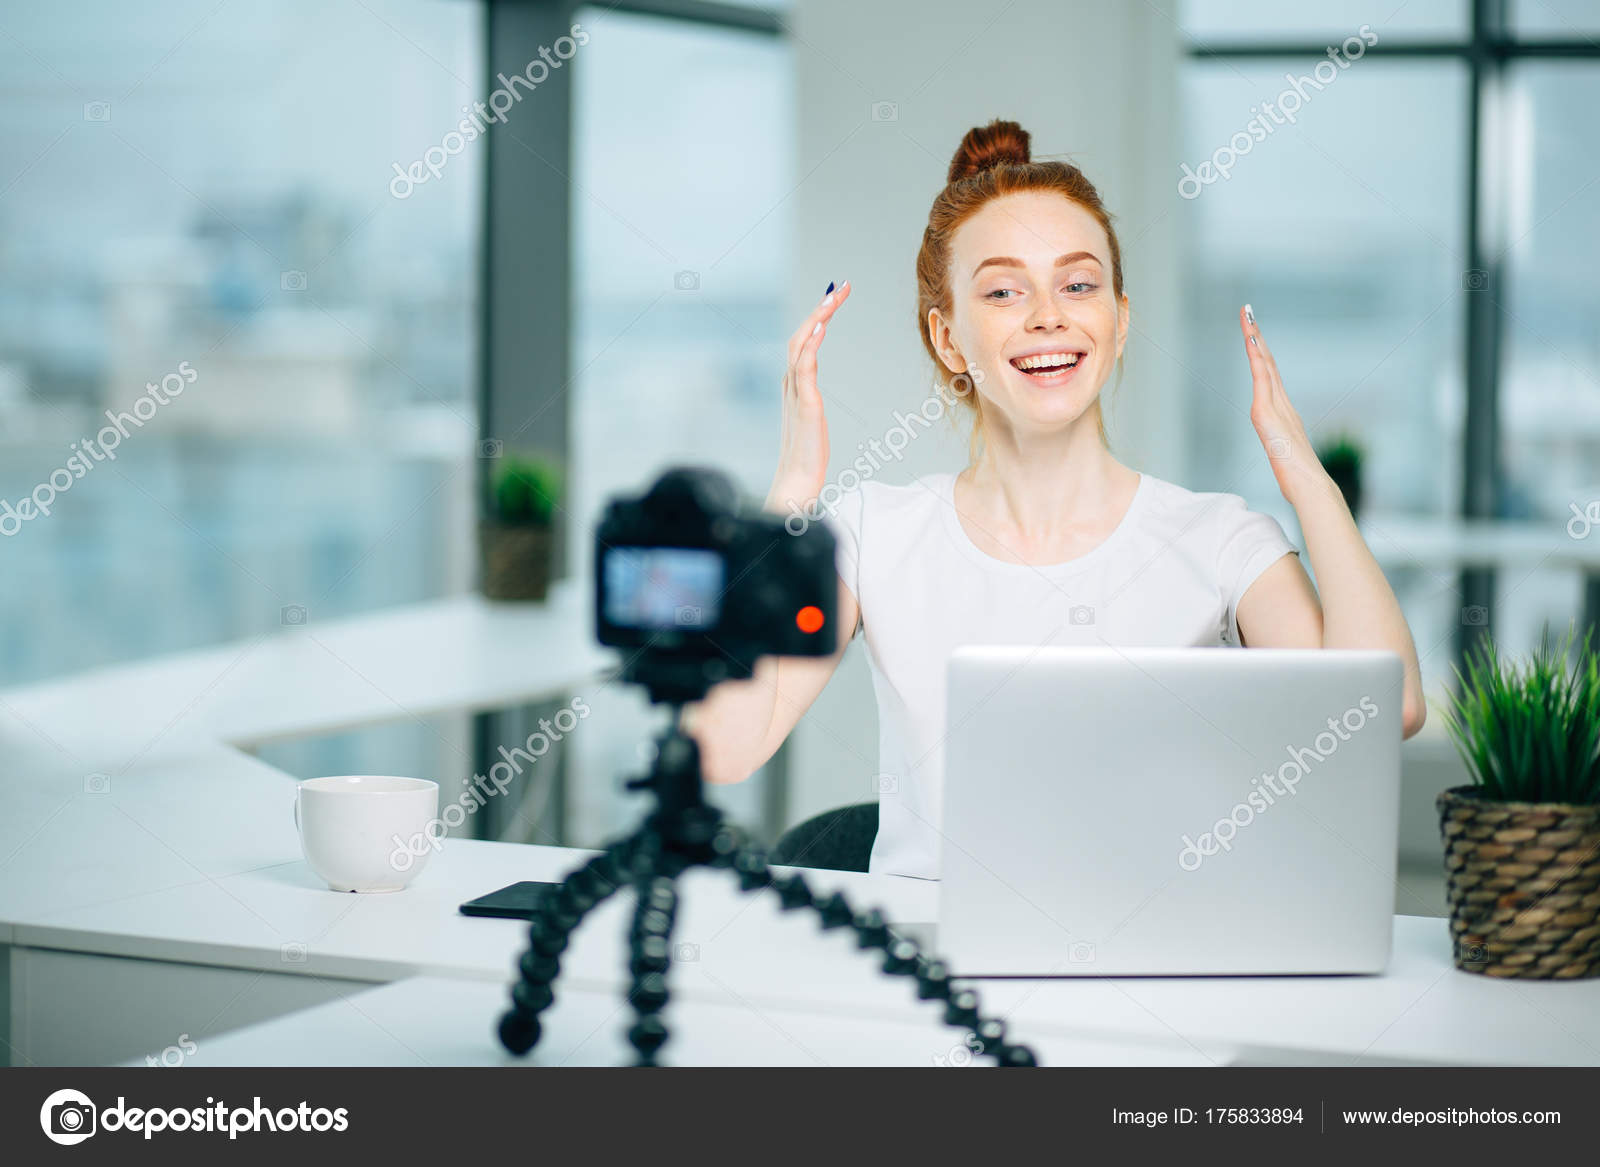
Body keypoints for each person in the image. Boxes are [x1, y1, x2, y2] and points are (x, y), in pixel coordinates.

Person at [686, 118, 1426, 880]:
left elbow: (1386, 710)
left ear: (1119, 319)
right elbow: (723, 744)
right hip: (924, 973)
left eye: (1079, 284)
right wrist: (791, 494)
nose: (1049, 314)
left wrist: (1305, 473)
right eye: (1004, 290)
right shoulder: (875, 531)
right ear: (948, 340)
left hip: (1145, 974)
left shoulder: (1219, 539)